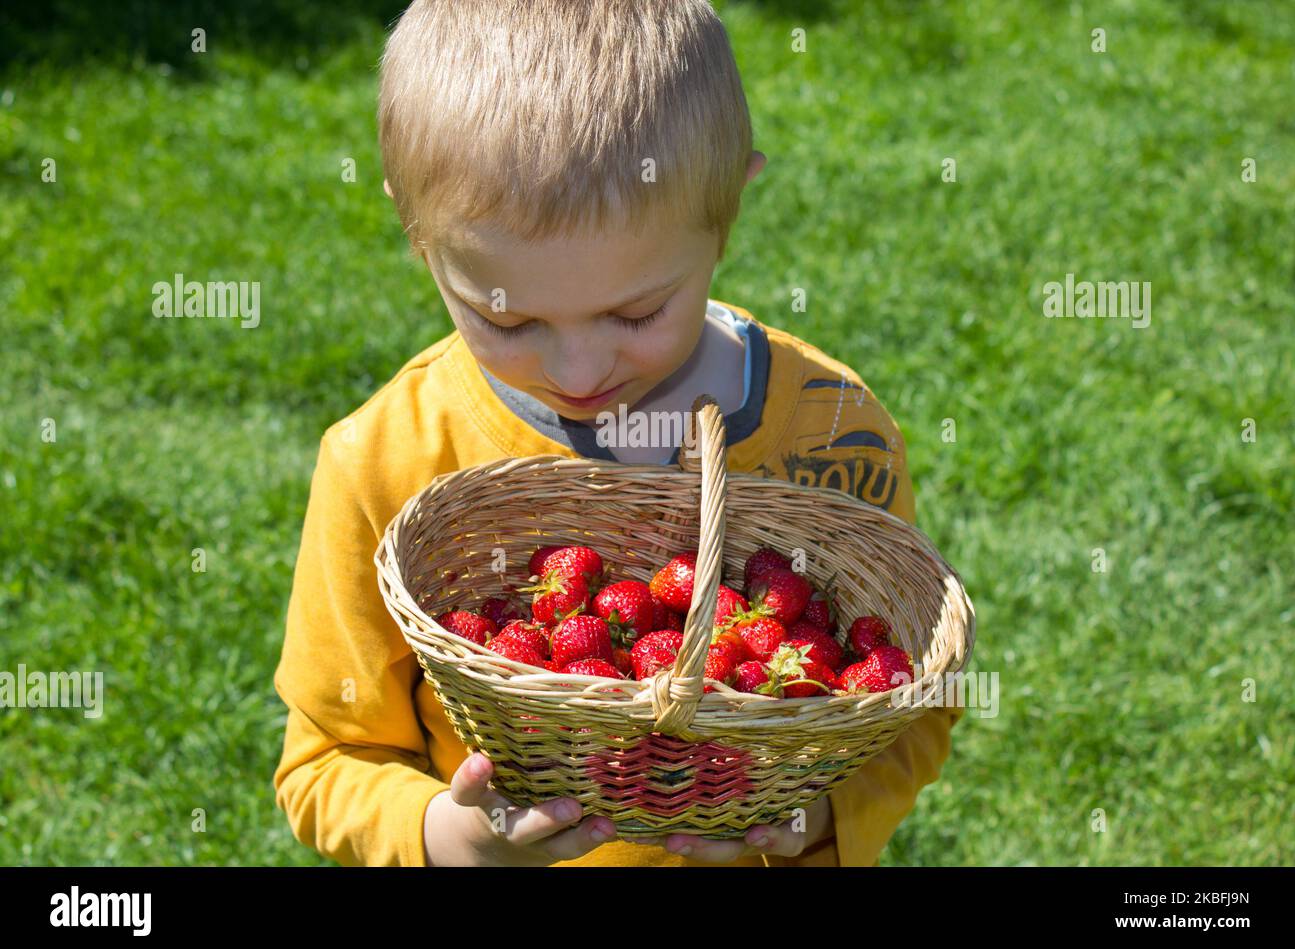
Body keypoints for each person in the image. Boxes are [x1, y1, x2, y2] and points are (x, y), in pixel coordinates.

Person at [272, 0, 963, 867]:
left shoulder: (831, 432)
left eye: (636, 311)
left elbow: (916, 694)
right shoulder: (383, 459)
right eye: (509, 319)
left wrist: (814, 825)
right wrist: (445, 840)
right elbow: (327, 755)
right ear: (416, 235)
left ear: (728, 210)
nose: (577, 370)